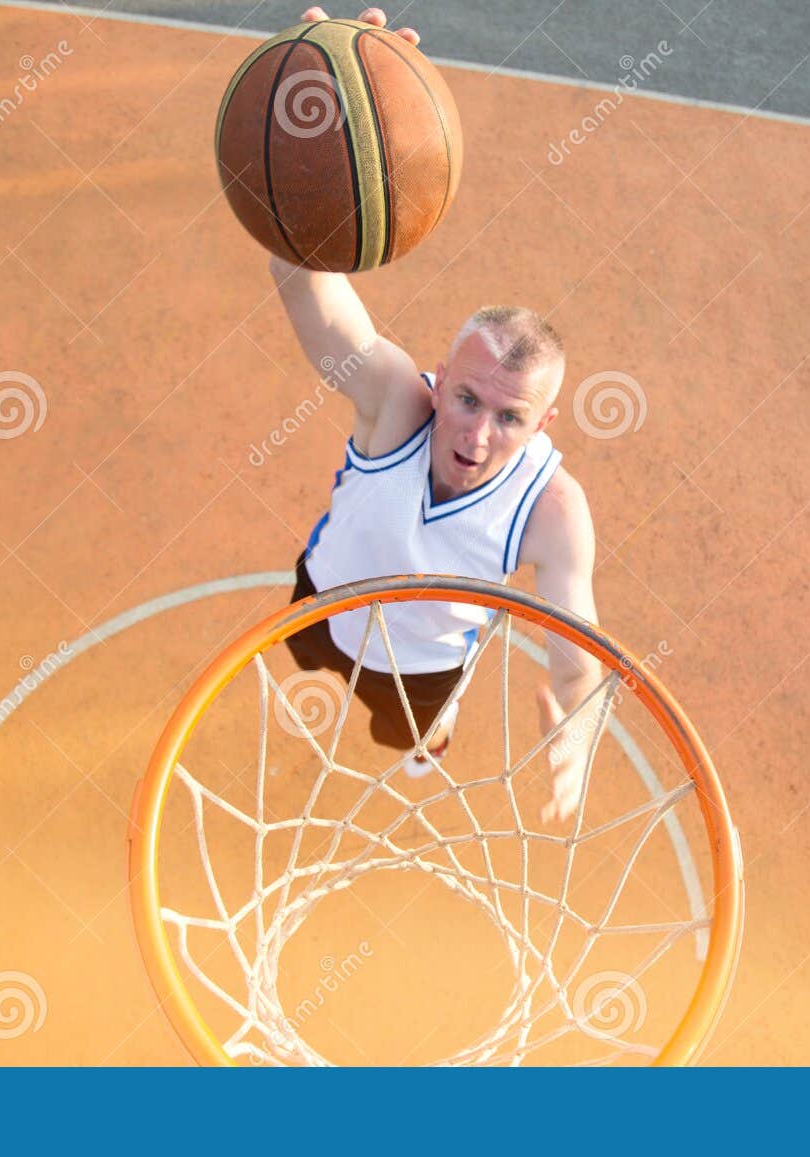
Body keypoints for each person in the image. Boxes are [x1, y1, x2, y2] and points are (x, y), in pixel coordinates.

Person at [276, 7, 604, 822]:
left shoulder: (554, 510)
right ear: (440, 374)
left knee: (415, 736)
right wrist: (318, 124)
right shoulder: (396, 403)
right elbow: (306, 289)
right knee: (305, 661)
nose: (476, 431)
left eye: (509, 418)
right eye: (465, 397)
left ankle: (436, 733)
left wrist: (577, 723)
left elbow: (576, 646)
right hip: (327, 596)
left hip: (423, 666)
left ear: (545, 425)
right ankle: (343, 680)